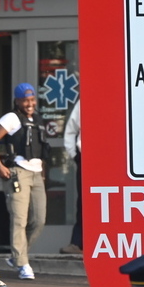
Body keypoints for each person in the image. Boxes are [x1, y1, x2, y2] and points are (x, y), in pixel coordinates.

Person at [0, 83, 49, 280]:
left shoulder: (38, 119)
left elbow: (41, 147)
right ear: (17, 101)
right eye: (25, 100)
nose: (29, 104)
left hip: (37, 173)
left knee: (39, 219)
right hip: (18, 172)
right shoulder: (12, 118)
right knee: (19, 219)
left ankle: (18, 255)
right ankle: (22, 264)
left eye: (32, 100)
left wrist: (44, 172)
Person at [60, 99, 82, 255]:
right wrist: (76, 156)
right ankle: (77, 243)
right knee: (84, 203)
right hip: (88, 159)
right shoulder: (86, 100)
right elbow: (70, 131)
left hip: (115, 158)